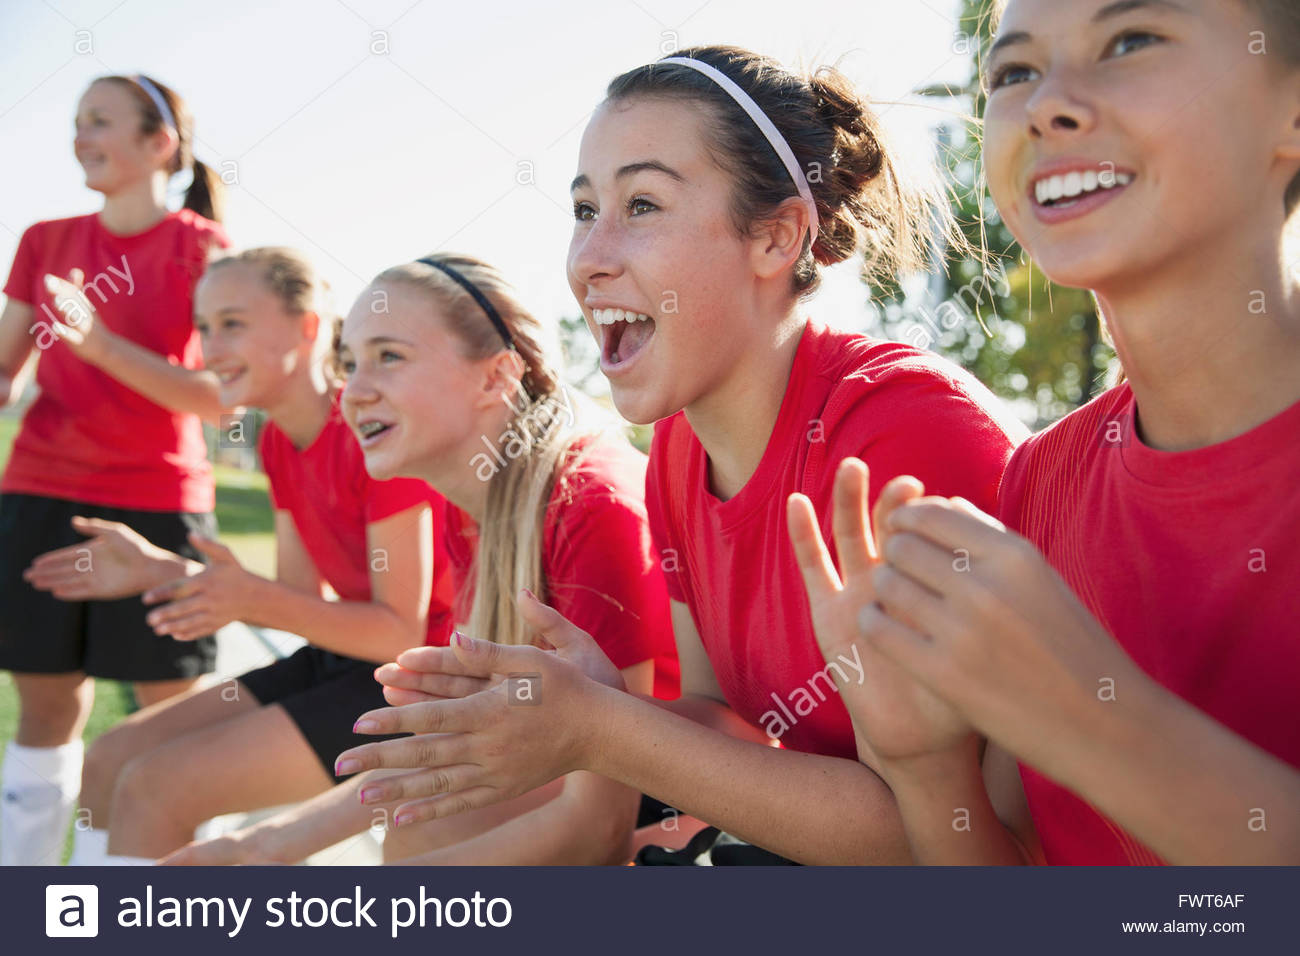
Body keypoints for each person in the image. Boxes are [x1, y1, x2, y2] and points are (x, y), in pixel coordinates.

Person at [333, 46, 1027, 865]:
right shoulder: (676, 448)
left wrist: (610, 731)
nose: (589, 257)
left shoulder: (897, 434)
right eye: (586, 209)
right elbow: (721, 715)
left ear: (775, 237)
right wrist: (599, 706)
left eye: (644, 204)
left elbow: (934, 838)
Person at [788, 0, 1300, 864]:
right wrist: (927, 770)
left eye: (1131, 41)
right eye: (1014, 72)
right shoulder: (1041, 480)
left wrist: (1082, 715)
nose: (1046, 104)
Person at [163, 252, 680, 865]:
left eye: (389, 356)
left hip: (676, 801)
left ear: (496, 377)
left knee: (423, 837)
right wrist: (260, 848)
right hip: (578, 771)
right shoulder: (469, 509)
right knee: (420, 830)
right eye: (349, 362)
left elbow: (600, 827)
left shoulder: (590, 503)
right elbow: (445, 751)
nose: (353, 392)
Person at [24, 247, 456, 862]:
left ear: (309, 328)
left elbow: (399, 633)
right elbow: (297, 604)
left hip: (421, 684)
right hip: (344, 661)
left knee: (155, 789)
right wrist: (171, 574)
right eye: (203, 327)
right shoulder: (279, 439)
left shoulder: (372, 429)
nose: (210, 347)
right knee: (110, 758)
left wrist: (238, 593)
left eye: (233, 323)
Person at [0, 73, 229, 865]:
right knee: (44, 712)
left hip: (157, 506)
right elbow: (7, 372)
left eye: (98, 121)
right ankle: (25, 901)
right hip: (37, 494)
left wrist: (99, 345)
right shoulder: (42, 241)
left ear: (158, 143)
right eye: (74, 122)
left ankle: (125, 910)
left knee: (166, 729)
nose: (79, 136)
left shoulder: (206, 250)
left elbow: (218, 401)